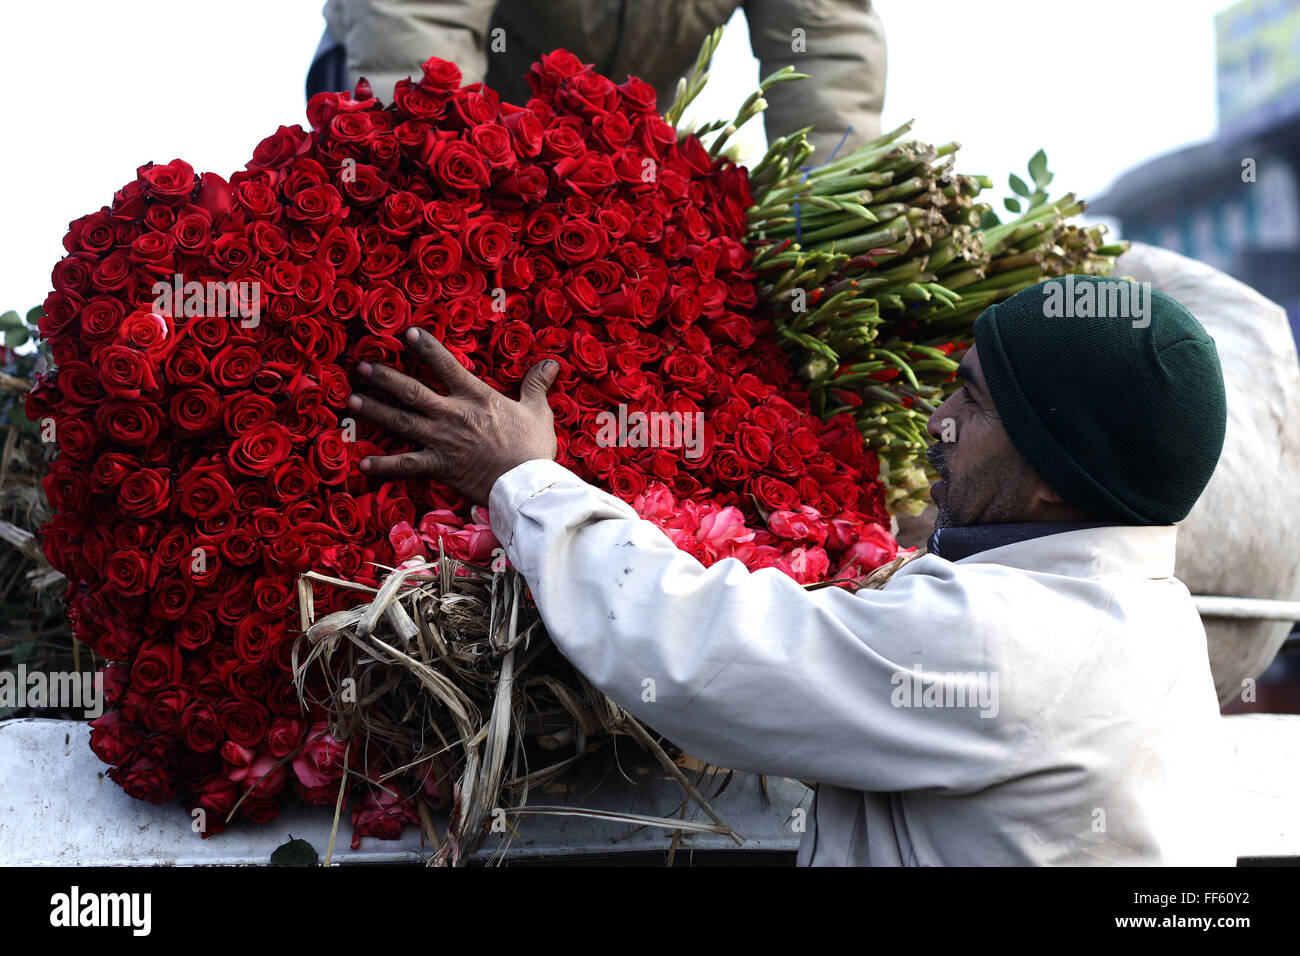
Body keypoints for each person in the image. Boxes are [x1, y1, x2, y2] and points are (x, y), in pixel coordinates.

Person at [346, 275, 1235, 865]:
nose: (936, 419)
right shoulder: (1153, 616)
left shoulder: (1007, 642)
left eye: (972, 399)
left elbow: (701, 653)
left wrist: (525, 480)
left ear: (1052, 483)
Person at [309, 0, 887, 157]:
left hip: (614, 134)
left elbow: (823, 40)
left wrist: (831, 189)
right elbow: (418, 20)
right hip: (412, 73)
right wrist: (431, 158)